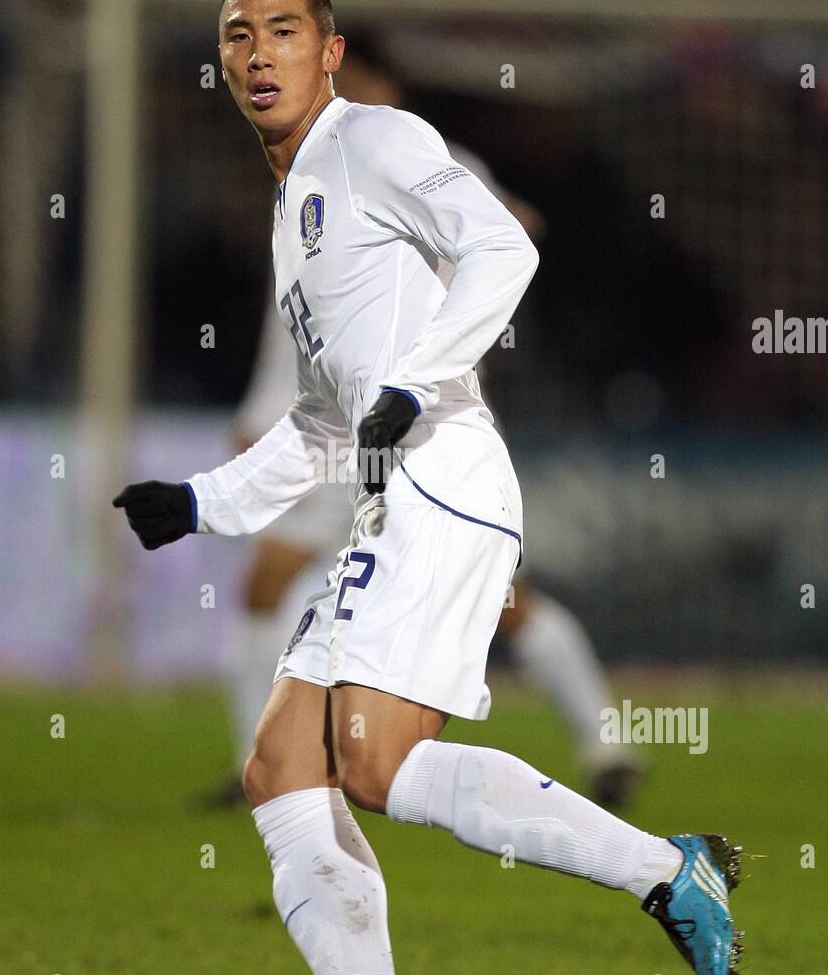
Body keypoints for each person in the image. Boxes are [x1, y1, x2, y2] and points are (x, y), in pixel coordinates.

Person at [113, 0, 742, 975]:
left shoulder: (374, 141)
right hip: (382, 488)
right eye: (237, 36)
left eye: (283, 32)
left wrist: (415, 379)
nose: (257, 53)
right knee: (278, 766)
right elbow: (317, 417)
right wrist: (203, 502)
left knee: (370, 760)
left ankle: (666, 869)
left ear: (332, 52)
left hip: (439, 478)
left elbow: (505, 245)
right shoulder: (292, 207)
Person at [211, 40, 640, 812]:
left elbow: (514, 233)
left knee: (489, 601)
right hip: (374, 422)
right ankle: (604, 738)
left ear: (376, 81)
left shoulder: (396, 164)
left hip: (398, 421)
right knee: (287, 585)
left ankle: (268, 769)